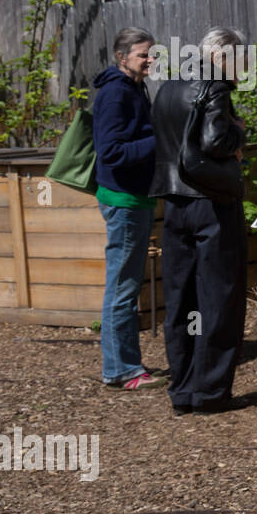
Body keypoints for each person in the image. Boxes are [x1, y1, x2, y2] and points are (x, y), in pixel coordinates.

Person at [150, 27, 249, 415]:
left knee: (182, 302)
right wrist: (238, 135)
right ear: (224, 57)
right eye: (241, 60)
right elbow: (215, 142)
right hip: (213, 205)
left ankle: (183, 391)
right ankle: (210, 394)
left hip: (175, 205)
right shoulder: (216, 87)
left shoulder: (170, 87)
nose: (243, 69)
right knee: (219, 299)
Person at [94, 27, 167, 390]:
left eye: (152, 53)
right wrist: (160, 139)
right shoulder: (115, 94)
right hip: (123, 201)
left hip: (134, 198)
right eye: (143, 54)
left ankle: (122, 363)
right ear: (122, 57)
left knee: (125, 284)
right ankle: (121, 369)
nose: (150, 59)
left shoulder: (135, 88)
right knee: (122, 287)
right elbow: (111, 152)